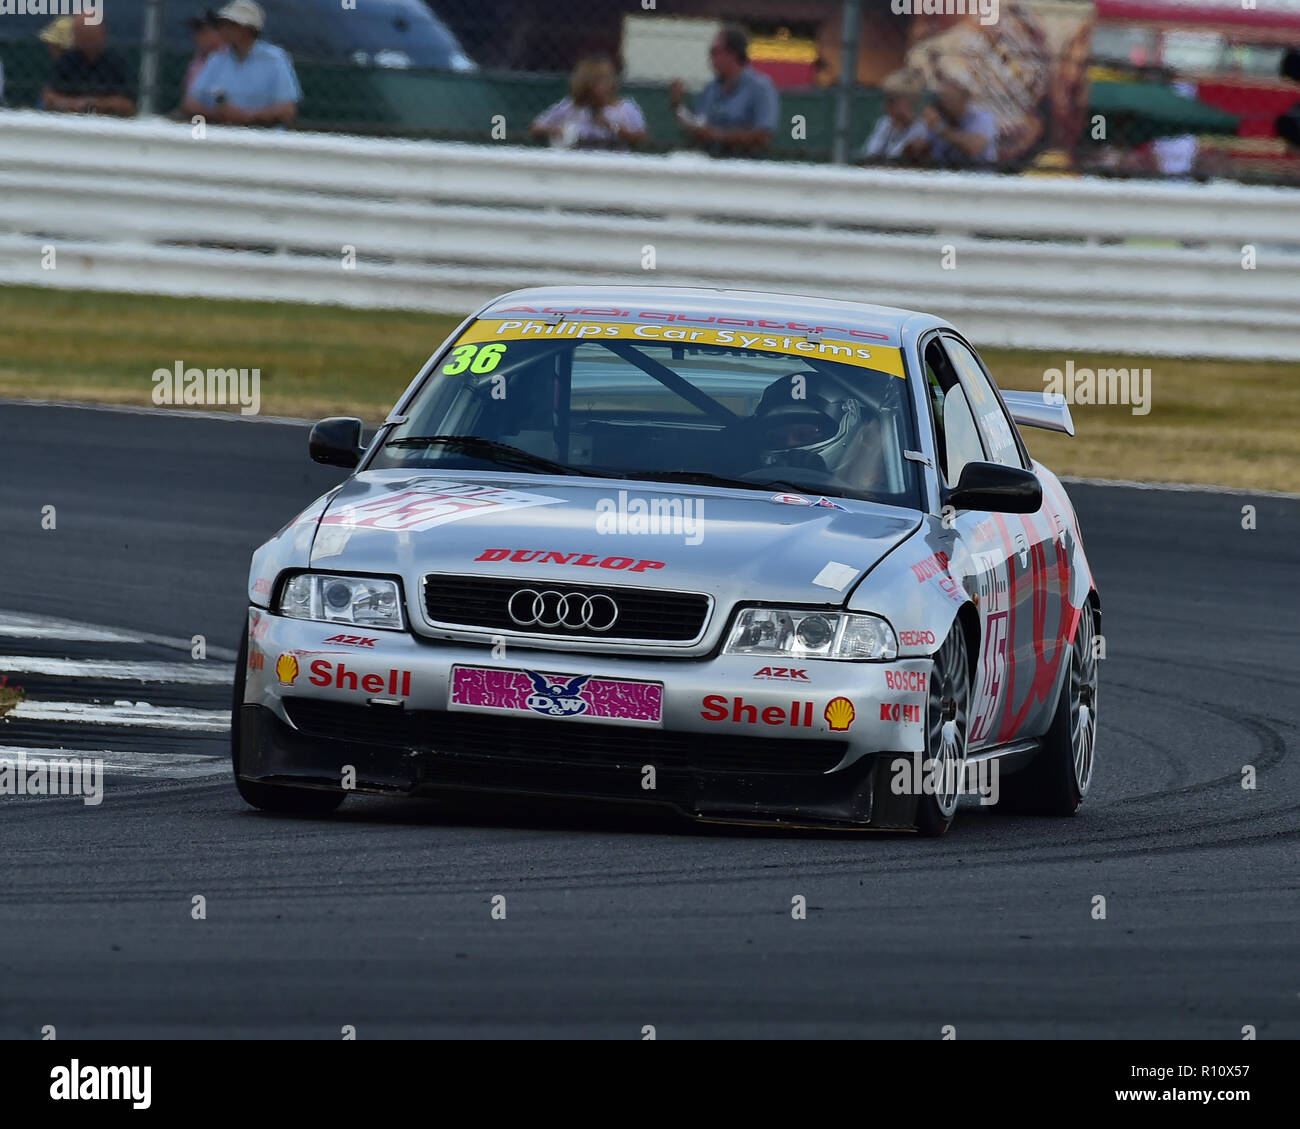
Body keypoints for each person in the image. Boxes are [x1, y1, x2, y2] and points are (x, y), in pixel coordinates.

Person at [751, 373, 886, 492]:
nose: (790, 443)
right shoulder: (737, 482)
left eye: (804, 434)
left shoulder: (891, 488)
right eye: (775, 437)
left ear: (850, 423)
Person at [182, 0, 300, 127]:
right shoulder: (217, 58)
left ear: (247, 29)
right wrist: (218, 114)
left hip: (264, 139)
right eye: (222, 24)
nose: (223, 29)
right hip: (222, 136)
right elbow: (190, 104)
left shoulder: (275, 59)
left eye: (230, 24)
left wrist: (246, 116)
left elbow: (287, 110)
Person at [670, 24, 779, 157]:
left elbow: (763, 137)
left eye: (715, 52)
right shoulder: (711, 89)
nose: (710, 59)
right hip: (711, 163)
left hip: (747, 165)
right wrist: (678, 107)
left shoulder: (760, 87)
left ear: (732, 54)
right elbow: (699, 126)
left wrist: (717, 135)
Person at [531, 56, 646, 150]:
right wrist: (558, 130)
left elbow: (641, 138)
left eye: (607, 80)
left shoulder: (625, 108)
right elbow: (537, 128)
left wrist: (612, 127)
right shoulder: (571, 106)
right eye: (598, 81)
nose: (605, 86)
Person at [41, 15, 136, 117]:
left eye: (90, 38)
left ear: (102, 35)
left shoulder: (116, 62)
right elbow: (48, 98)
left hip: (108, 121)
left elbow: (129, 105)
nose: (87, 43)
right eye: (82, 37)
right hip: (71, 119)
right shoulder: (67, 61)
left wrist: (97, 104)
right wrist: (73, 104)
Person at [918, 74, 997, 168]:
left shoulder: (982, 117)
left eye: (949, 97)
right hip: (941, 178)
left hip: (976, 178)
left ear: (964, 98)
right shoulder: (938, 117)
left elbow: (973, 147)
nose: (945, 102)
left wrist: (940, 128)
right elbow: (918, 149)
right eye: (942, 97)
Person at [858, 68, 930, 165]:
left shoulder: (921, 129)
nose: (887, 105)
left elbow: (900, 160)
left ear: (910, 101)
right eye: (887, 99)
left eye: (893, 100)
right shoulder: (885, 123)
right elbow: (870, 154)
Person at [184, 11, 225, 99]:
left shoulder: (229, 59)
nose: (198, 36)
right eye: (196, 31)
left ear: (219, 32)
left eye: (204, 32)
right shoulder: (198, 60)